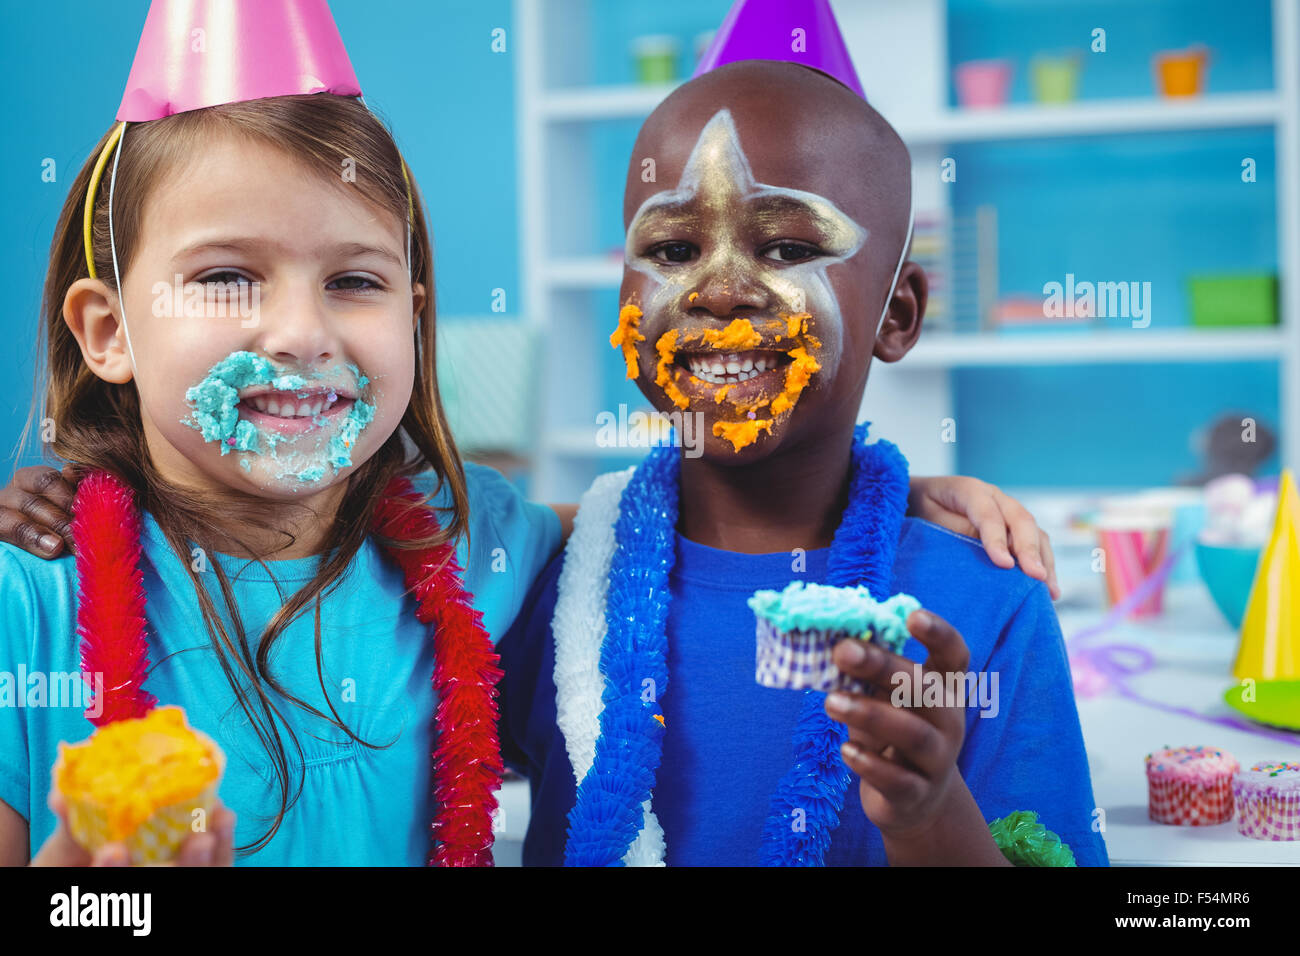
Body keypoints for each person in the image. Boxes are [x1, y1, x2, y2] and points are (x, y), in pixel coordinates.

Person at [496, 35, 1107, 866]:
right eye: (672, 250)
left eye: (787, 247)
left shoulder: (981, 606)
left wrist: (929, 813)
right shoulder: (552, 584)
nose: (716, 290)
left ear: (898, 313)